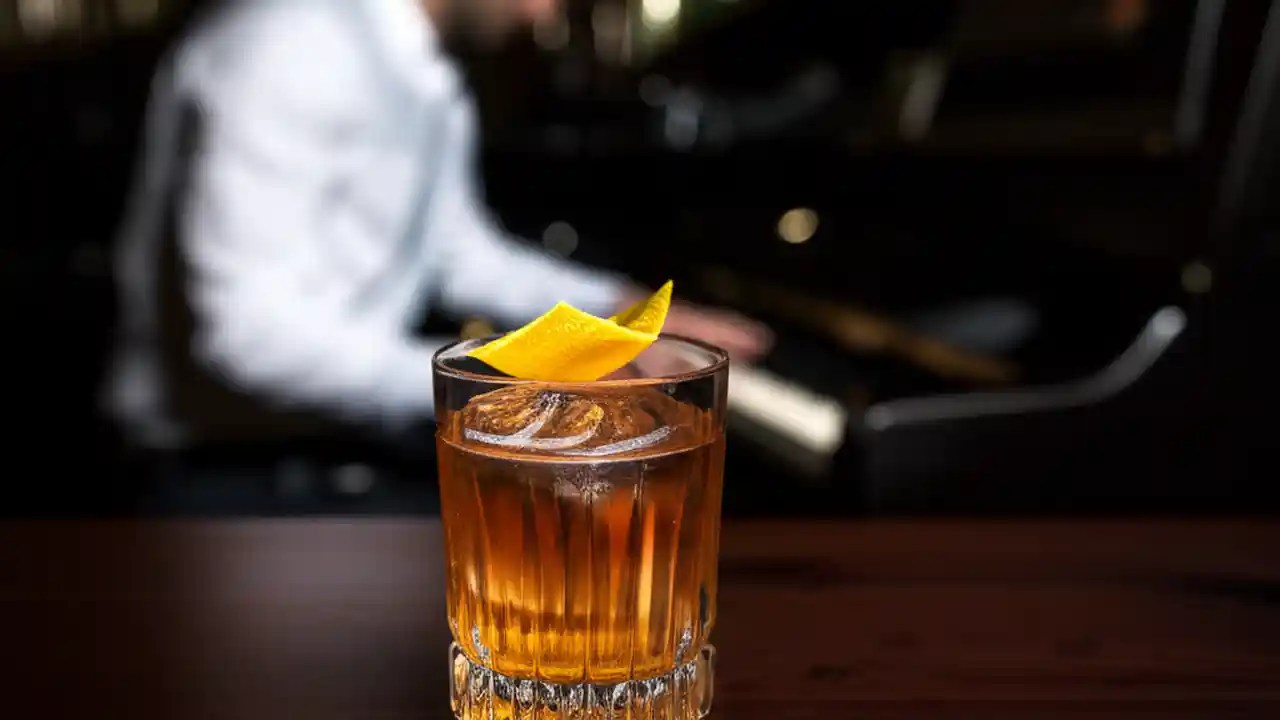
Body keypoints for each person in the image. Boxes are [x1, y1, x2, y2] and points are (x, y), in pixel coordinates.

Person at [105, 0, 771, 461]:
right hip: (230, 480)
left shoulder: (421, 66)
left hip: (340, 451)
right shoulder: (286, 43)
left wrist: (617, 311)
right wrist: (514, 381)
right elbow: (247, 338)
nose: (543, 18)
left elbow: (458, 255)